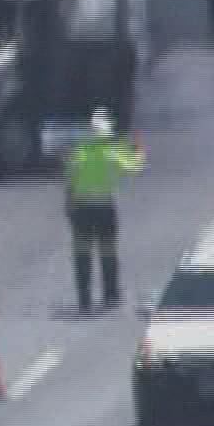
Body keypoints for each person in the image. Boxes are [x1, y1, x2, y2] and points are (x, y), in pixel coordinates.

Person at [65, 108, 144, 313]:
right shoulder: (114, 150)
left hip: (81, 209)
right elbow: (135, 167)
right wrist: (138, 148)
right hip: (104, 208)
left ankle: (84, 299)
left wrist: (68, 206)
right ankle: (110, 295)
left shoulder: (80, 150)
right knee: (107, 252)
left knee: (82, 254)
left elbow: (69, 180)